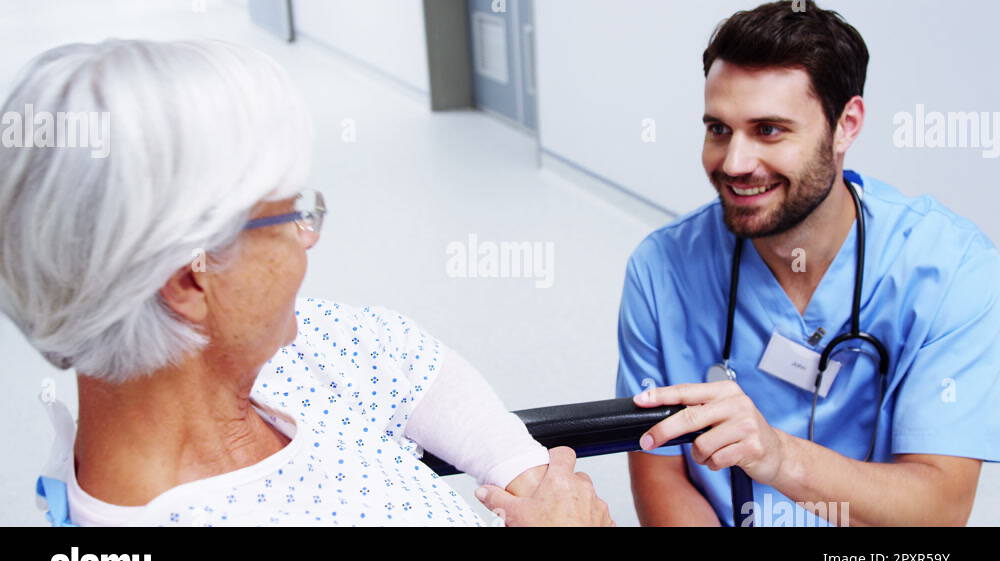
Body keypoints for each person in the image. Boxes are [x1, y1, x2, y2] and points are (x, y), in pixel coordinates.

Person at [0, 39, 612, 527]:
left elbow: (406, 361)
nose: (311, 235)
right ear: (191, 276)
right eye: (291, 214)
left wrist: (529, 475)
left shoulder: (256, 352)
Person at [618, 0, 1000, 526]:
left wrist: (778, 456)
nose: (734, 163)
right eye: (719, 129)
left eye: (769, 130)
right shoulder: (662, 269)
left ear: (846, 124)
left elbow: (938, 510)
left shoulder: (949, 269)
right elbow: (661, 474)